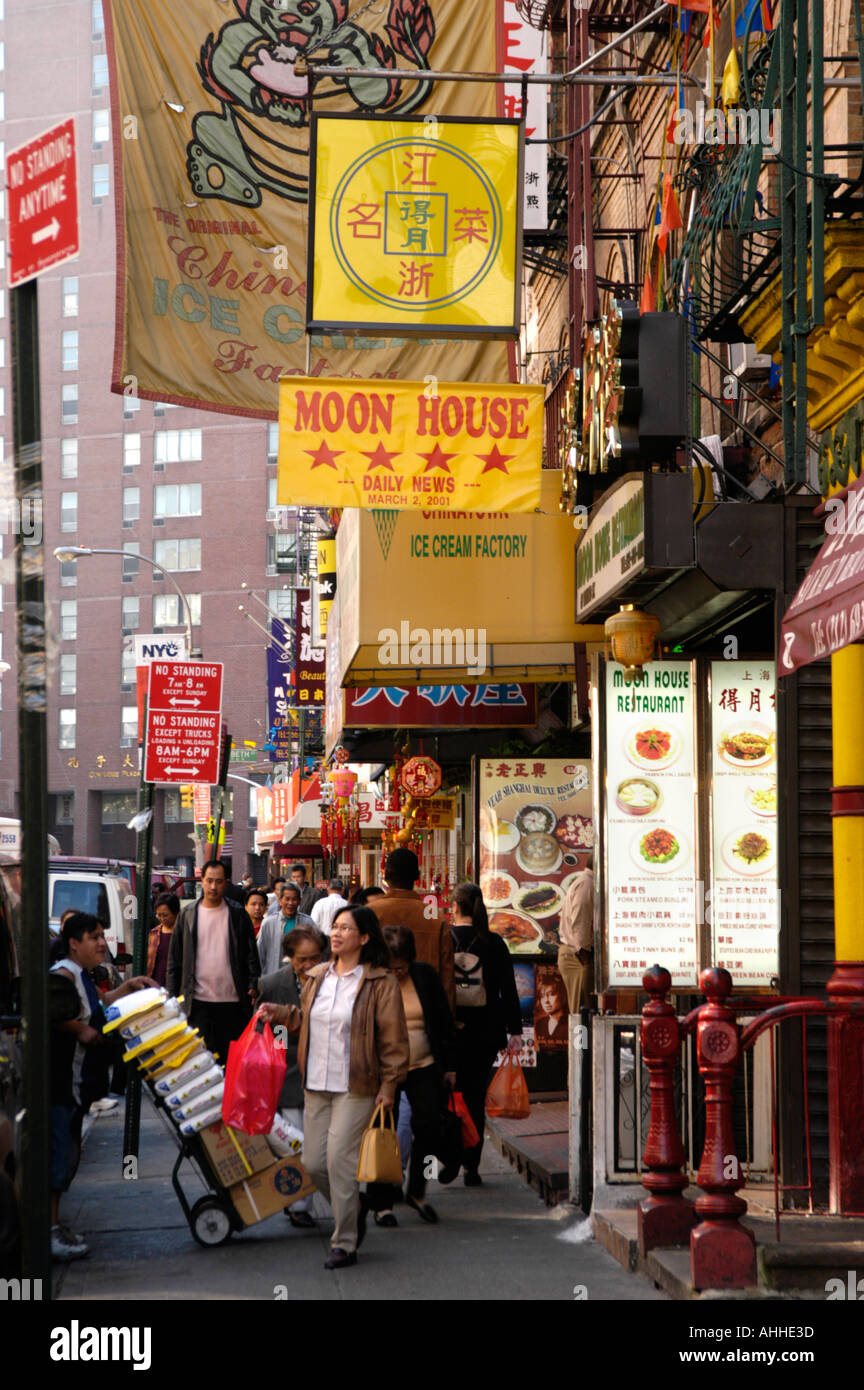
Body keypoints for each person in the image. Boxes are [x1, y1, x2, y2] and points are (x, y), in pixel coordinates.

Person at [259, 905, 409, 1270]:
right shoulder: (317, 976)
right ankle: (353, 1209)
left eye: (346, 928)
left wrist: (389, 1086)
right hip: (316, 1082)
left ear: (365, 937)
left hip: (356, 1084)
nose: (337, 933)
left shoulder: (380, 983)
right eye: (336, 927)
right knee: (312, 1162)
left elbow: (394, 1041)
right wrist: (277, 1013)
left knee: (339, 1160)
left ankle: (344, 1241)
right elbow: (306, 1021)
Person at [49, 912, 155, 1259]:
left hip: (80, 1084)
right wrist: (78, 1029)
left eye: (101, 936)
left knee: (67, 1154)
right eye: (93, 937)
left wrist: (127, 988)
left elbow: (98, 1005)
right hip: (63, 1083)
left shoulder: (80, 976)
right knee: (58, 1156)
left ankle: (53, 1227)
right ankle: (48, 1232)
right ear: (74, 942)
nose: (100, 943)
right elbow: (48, 1015)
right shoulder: (61, 977)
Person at [368, 925, 457, 1227]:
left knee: (429, 1127)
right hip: (386, 1071)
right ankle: (381, 1203)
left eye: (403, 968)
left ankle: (417, 1191)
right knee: (383, 1135)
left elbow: (443, 1020)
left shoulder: (424, 976)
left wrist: (449, 1066)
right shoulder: (373, 981)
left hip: (425, 1064)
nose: (399, 974)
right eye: (393, 969)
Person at [450, 882, 522, 1186]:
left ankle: (451, 1156)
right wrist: (515, 1030)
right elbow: (509, 989)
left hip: (451, 1032)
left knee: (452, 1097)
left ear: (454, 907)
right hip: (486, 1031)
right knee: (476, 1098)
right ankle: (472, 1165)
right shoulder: (494, 943)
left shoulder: (445, 939)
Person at [255, 925, 326, 1229]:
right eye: (302, 959)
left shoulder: (330, 981)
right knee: (296, 1141)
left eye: (315, 958)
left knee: (316, 1145)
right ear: (289, 957)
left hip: (322, 1070)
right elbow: (261, 1027)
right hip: (286, 1073)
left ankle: (302, 1200)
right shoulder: (270, 984)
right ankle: (298, 1204)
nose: (309, 965)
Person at [167, 858, 261, 1063]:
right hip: (198, 1002)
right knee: (201, 1062)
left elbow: (251, 954)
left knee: (230, 1062)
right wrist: (173, 997)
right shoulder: (187, 915)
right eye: (209, 880)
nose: (213, 886)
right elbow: (175, 961)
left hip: (233, 1003)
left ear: (226, 883)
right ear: (202, 880)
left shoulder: (237, 914)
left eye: (219, 881)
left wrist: (253, 983)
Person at [369, 849, 456, 1008]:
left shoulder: (370, 913)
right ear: (417, 876)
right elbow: (447, 976)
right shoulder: (433, 916)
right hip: (426, 1005)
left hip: (379, 1004)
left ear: (386, 875)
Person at [557, 853, 595, 1014]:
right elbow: (581, 923)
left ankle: (585, 1040)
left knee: (586, 1013)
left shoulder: (589, 882)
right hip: (579, 956)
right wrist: (586, 959)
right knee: (582, 1015)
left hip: (581, 955)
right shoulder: (587, 884)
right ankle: (581, 1041)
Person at [257, 884, 316, 975]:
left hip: (300, 978)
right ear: (280, 900)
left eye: (294, 899)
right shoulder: (268, 922)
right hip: (274, 976)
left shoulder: (308, 923)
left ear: (299, 901)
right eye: (287, 899)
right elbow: (260, 953)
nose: (290, 903)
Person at [147, 892, 180, 987]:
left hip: (175, 986)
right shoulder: (154, 934)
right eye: (159, 915)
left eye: (165, 915)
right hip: (155, 986)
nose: (162, 918)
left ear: (176, 913)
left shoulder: (183, 933)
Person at [534, 972, 569, 1044]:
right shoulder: (540, 1024)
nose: (546, 1001)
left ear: (562, 996)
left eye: (551, 994)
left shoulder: (570, 1022)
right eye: (542, 996)